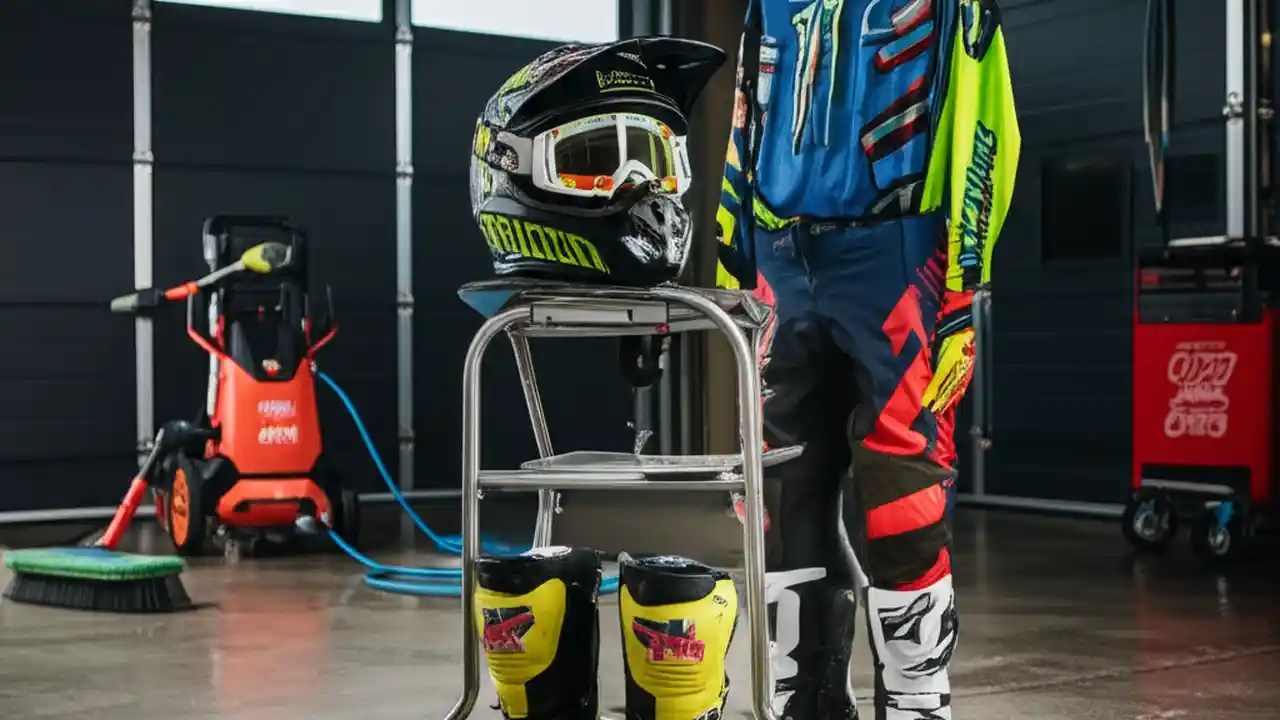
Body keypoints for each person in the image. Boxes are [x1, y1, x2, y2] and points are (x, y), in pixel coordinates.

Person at [715, 1, 1020, 718]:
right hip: (781, 255)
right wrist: (735, 263)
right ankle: (803, 692)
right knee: (778, 485)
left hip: (898, 257)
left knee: (902, 481)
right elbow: (743, 117)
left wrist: (964, 283)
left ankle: (915, 699)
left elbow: (987, 124)